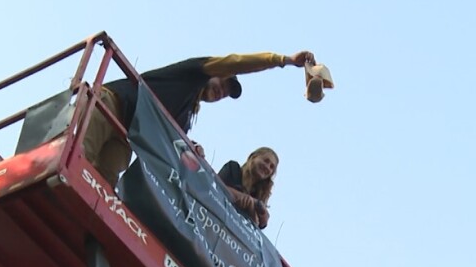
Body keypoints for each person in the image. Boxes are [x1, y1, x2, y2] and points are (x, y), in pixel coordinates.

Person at [81, 51, 314, 184]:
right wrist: (283, 60)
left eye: (226, 93)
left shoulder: (184, 118)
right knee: (79, 151)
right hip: (113, 103)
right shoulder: (191, 75)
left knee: (102, 183)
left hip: (125, 135)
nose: (222, 91)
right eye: (223, 82)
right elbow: (238, 63)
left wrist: (191, 149)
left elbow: (171, 144)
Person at [218, 147, 278, 229]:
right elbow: (216, 185)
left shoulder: (258, 194)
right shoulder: (233, 168)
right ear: (253, 157)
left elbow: (259, 225)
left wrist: (256, 209)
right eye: (265, 161)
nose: (267, 167)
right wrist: (245, 198)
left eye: (271, 167)